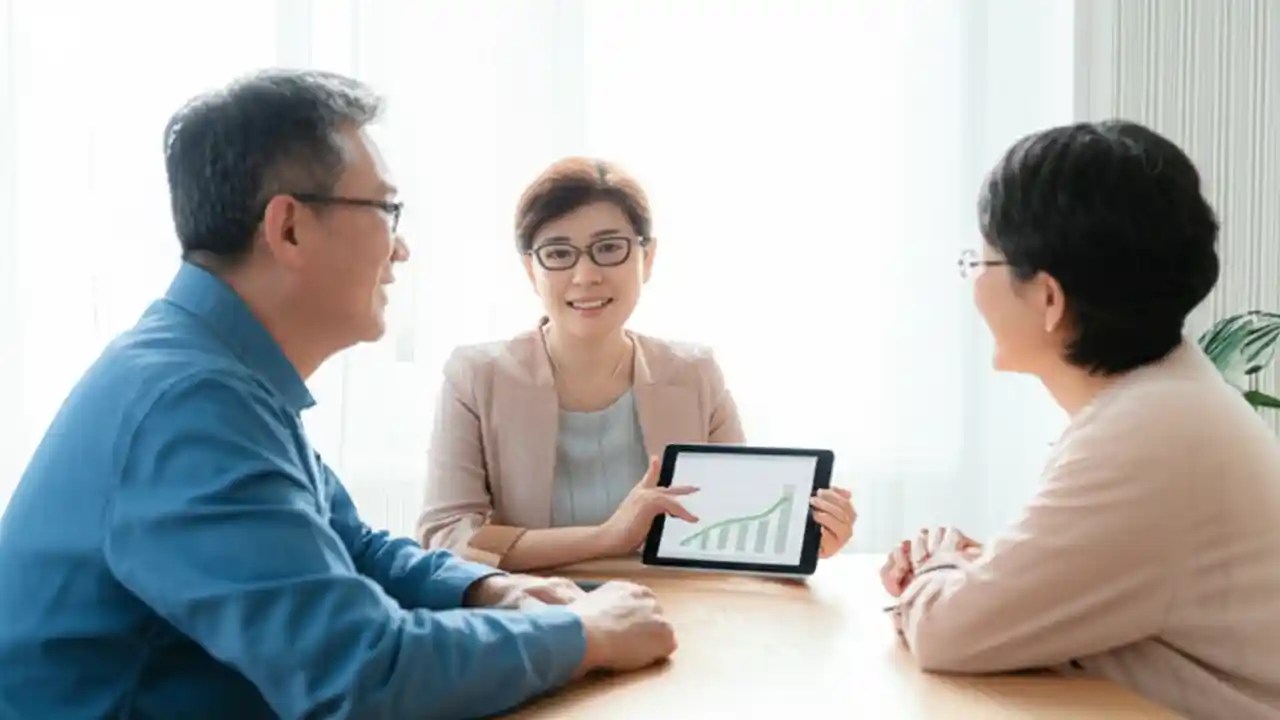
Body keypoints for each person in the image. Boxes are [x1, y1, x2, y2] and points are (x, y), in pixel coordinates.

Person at [0, 70, 677, 720]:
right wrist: (583, 636)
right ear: (288, 227)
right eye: (386, 210)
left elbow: (349, 545)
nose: (402, 249)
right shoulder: (191, 403)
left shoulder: (215, 370)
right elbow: (359, 676)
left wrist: (488, 587)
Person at [880, 120, 1280, 719]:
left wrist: (938, 567)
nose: (972, 286)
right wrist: (985, 570)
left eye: (980, 263)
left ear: (1048, 299)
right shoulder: (1168, 398)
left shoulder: (1151, 430)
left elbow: (946, 633)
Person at [415, 157, 856, 570]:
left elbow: (730, 524)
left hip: (676, 615)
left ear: (648, 258)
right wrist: (608, 537)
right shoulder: (476, 376)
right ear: (532, 270)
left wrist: (806, 538)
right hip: (532, 618)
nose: (585, 275)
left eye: (609, 248)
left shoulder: (694, 373)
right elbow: (446, 538)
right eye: (558, 252)